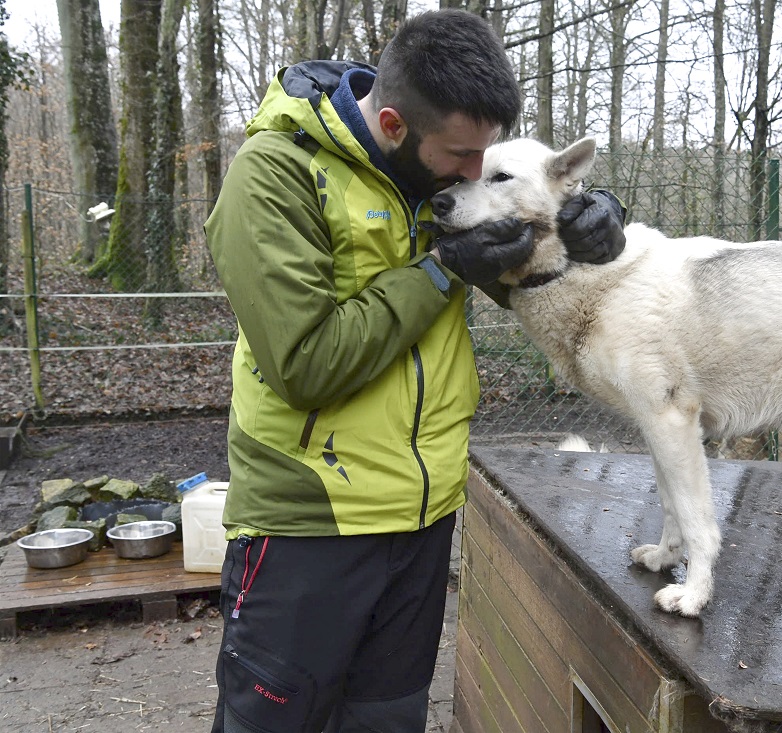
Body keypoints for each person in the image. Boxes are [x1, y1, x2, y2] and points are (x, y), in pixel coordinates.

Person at [203, 9, 625, 733]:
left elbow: (530, 271)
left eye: (486, 159)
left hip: (423, 520)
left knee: (387, 721)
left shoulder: (437, 175)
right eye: (462, 157)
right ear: (394, 126)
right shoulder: (275, 175)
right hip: (309, 524)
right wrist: (437, 272)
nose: (474, 177)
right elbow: (308, 362)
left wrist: (592, 220)